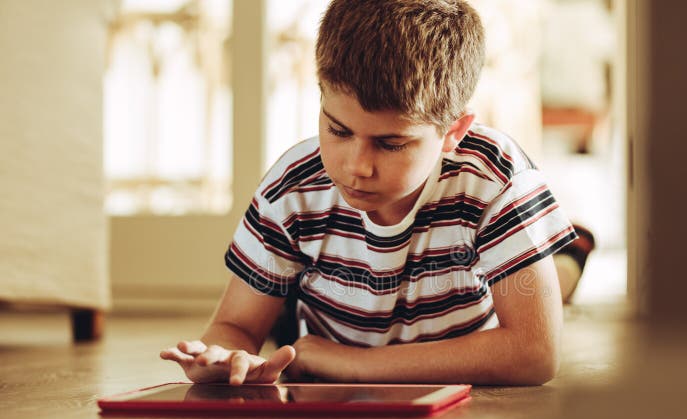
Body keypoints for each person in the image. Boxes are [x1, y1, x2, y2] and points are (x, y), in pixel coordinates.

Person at [161, 0, 587, 387]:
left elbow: (535, 353)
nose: (356, 167)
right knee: (285, 324)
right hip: (324, 319)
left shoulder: (495, 178)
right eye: (338, 130)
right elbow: (235, 327)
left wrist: (352, 364)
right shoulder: (293, 187)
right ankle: (557, 263)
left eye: (391, 143)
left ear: (452, 132)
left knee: (540, 294)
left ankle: (563, 265)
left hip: (338, 352)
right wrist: (222, 355)